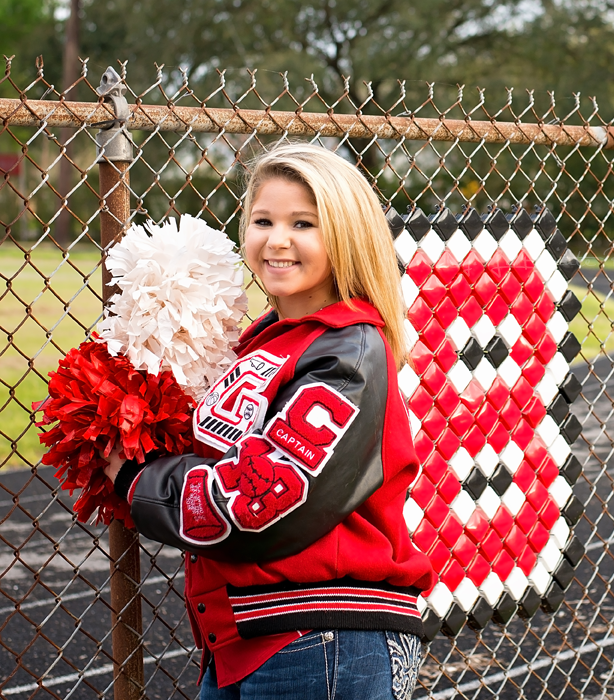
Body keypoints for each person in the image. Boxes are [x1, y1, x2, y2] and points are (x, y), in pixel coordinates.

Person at [104, 143, 433, 700]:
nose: (277, 240)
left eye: (303, 223)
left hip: (323, 637)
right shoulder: (265, 341)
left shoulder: (347, 351)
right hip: (252, 637)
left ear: (346, 236)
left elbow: (264, 500)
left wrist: (136, 479)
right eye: (263, 220)